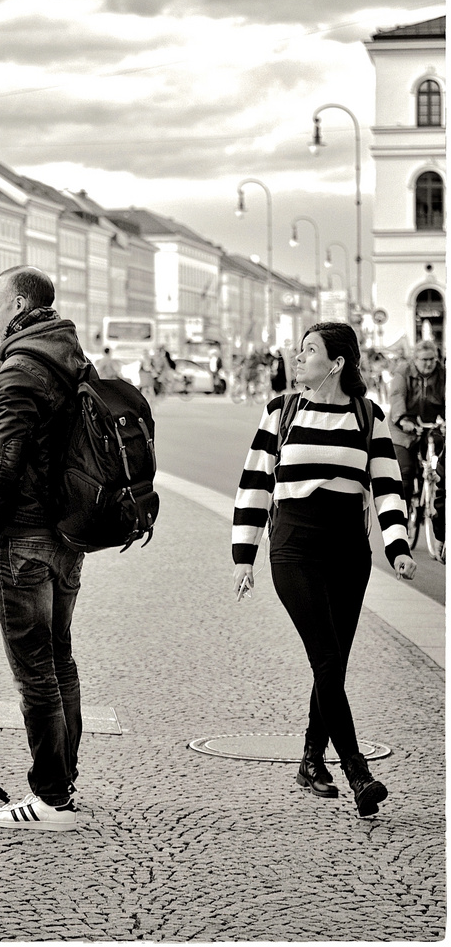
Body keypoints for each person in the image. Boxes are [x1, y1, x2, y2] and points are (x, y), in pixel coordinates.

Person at [232, 321, 416, 818]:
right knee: (327, 658)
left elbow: (387, 486)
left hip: (349, 551)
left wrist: (397, 546)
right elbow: (254, 483)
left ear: (335, 363)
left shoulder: (367, 415)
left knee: (331, 658)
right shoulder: (282, 411)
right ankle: (357, 769)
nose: (297, 357)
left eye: (307, 350)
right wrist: (244, 555)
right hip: (293, 545)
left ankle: (312, 760)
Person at [0, 265, 88, 832]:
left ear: (17, 303)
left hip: (24, 539)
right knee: (58, 660)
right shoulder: (70, 355)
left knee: (34, 670)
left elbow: (8, 458)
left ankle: (49, 797)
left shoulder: (19, 368)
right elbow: (40, 448)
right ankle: (63, 783)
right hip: (65, 534)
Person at [388, 340, 445, 511]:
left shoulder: (442, 374)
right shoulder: (403, 372)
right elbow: (397, 396)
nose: (428, 363)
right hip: (404, 430)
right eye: (424, 359)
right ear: (415, 359)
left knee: (441, 470)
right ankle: (402, 518)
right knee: (405, 472)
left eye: (432, 359)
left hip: (431, 427)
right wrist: (403, 420)